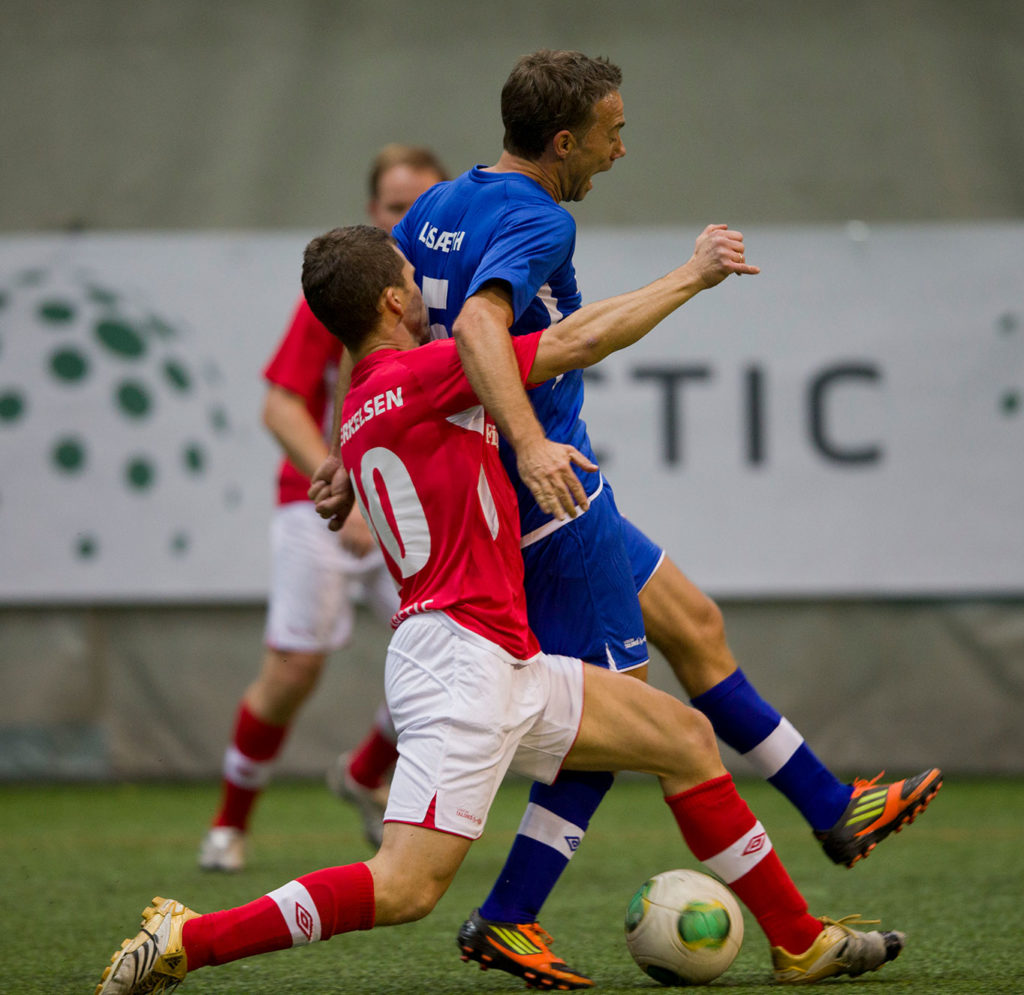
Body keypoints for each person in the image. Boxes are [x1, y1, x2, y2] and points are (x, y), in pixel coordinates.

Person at [94, 224, 906, 995]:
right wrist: (694, 273)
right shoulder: (427, 372)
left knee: (686, 737)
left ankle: (800, 940)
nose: (424, 290)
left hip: (497, 654)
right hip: (459, 665)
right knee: (405, 889)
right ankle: (187, 939)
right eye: (412, 281)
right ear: (389, 305)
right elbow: (579, 341)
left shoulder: (369, 397)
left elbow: (380, 430)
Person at [372, 50, 937, 989]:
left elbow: (409, 345)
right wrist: (535, 438)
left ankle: (833, 805)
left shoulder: (437, 205)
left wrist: (365, 449)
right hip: (553, 503)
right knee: (631, 717)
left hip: (529, 493)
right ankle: (515, 914)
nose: (620, 148)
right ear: (562, 142)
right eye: (611, 131)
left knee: (693, 624)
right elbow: (478, 331)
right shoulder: (538, 216)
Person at [198, 145, 448, 871]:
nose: (409, 219)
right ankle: (228, 823)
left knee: (455, 646)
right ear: (373, 214)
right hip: (324, 505)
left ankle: (369, 769)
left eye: (423, 204)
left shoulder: (447, 292)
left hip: (403, 503)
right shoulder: (348, 292)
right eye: (396, 206)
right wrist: (342, 481)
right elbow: (280, 406)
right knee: (295, 667)